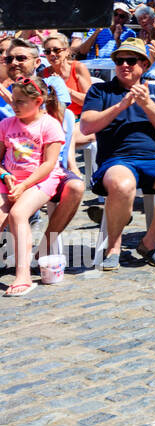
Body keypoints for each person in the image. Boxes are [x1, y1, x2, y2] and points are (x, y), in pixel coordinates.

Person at [78, 38, 155, 269]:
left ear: (145, 65)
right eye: (119, 60)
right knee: (123, 184)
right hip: (115, 159)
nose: (124, 65)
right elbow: (86, 126)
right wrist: (120, 106)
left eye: (131, 60)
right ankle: (114, 245)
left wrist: (146, 103)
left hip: (152, 158)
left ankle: (150, 242)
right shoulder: (100, 90)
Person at [0, 77, 76, 296]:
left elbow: (49, 164)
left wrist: (23, 186)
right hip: (10, 180)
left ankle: (22, 274)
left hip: (40, 179)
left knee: (18, 213)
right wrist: (5, 175)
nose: (14, 106)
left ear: (38, 101)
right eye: (13, 101)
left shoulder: (49, 124)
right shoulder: (6, 125)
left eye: (20, 102)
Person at [40, 33, 92, 117]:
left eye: (56, 50)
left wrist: (62, 87)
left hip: (78, 118)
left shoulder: (78, 68)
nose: (52, 54)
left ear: (67, 51)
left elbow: (88, 100)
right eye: (47, 51)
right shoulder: (42, 74)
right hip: (52, 120)